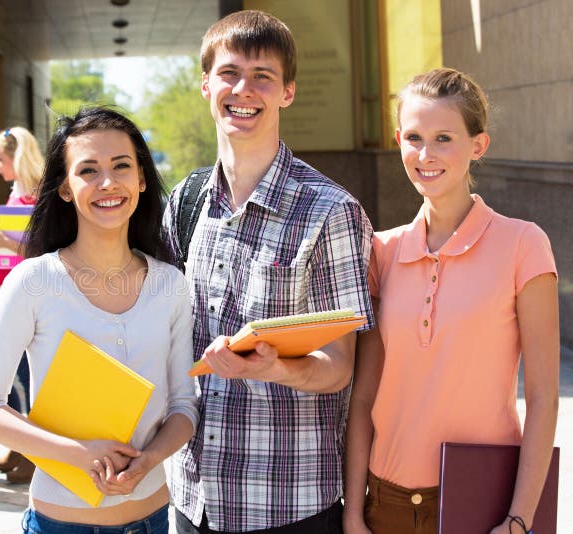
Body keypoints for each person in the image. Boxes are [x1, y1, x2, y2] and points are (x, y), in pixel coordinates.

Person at [164, 10, 374, 534]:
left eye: (264, 77)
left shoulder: (331, 212)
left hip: (288, 506)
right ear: (206, 85)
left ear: (288, 92)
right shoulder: (184, 204)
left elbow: (340, 365)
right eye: (230, 73)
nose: (244, 89)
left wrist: (272, 367)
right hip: (193, 500)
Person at [342, 68, 559, 534]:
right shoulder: (381, 251)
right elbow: (363, 397)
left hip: (481, 504)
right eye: (415, 137)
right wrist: (353, 513)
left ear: (477, 145)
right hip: (386, 503)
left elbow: (543, 398)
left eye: (444, 138)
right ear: (398, 140)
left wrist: (519, 519)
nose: (426, 155)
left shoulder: (524, 245)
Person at [0, 106, 198, 533]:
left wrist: (149, 459)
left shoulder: (171, 285)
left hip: (153, 518)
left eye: (121, 167)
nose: (107, 183)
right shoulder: (32, 282)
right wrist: (80, 454)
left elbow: (184, 406)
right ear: (66, 188)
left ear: (142, 179)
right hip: (60, 523)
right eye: (88, 170)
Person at [0, 126, 44, 483]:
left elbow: (44, 253)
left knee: (30, 374)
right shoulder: (15, 194)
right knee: (9, 374)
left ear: (14, 158)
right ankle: (21, 444)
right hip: (5, 289)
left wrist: (6, 243)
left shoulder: (39, 198)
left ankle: (36, 452)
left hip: (31, 295)